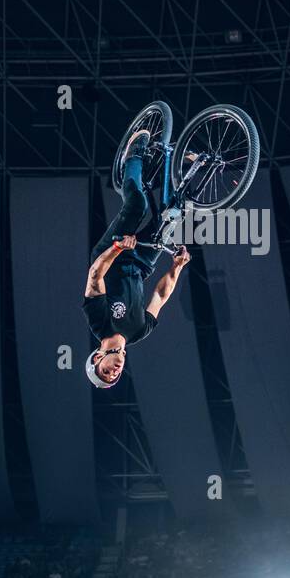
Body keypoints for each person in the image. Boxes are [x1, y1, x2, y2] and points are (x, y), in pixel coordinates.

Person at [83, 128, 191, 388]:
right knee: (175, 211)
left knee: (137, 205)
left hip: (113, 255)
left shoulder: (99, 323)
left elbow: (96, 274)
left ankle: (134, 153)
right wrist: (176, 268)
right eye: (114, 377)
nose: (114, 372)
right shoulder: (138, 332)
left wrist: (117, 248)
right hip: (142, 263)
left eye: (105, 372)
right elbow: (160, 297)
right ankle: (175, 161)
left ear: (97, 357)